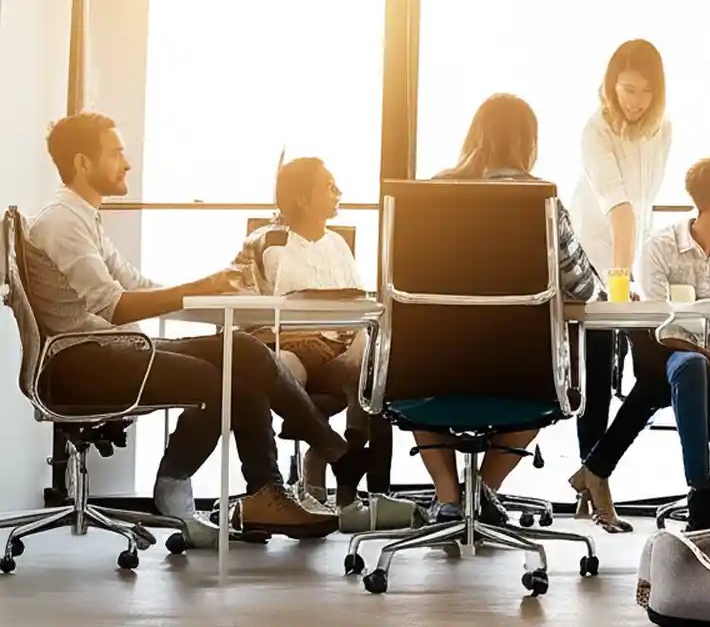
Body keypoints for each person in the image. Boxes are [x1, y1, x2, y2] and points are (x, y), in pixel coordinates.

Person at [25, 112, 353, 542]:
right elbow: (114, 306)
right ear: (84, 163)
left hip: (105, 350)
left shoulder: (83, 216)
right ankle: (200, 487)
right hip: (78, 362)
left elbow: (135, 284)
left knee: (241, 349)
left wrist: (211, 289)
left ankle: (277, 483)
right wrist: (198, 288)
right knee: (221, 379)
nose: (127, 163)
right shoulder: (64, 222)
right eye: (117, 153)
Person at [572, 155, 710, 531]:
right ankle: (699, 488)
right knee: (692, 365)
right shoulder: (660, 248)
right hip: (678, 357)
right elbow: (661, 329)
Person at [419, 93, 602, 524]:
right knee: (550, 382)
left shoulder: (425, 199)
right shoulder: (542, 202)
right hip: (521, 373)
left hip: (429, 369)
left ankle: (448, 496)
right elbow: (583, 288)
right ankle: (484, 489)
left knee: (415, 371)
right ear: (530, 144)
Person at [234, 157, 411, 532]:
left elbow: (356, 304)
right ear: (301, 198)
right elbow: (265, 302)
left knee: (370, 369)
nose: (338, 193)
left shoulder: (336, 245)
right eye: (329, 186)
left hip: (336, 347)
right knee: (277, 370)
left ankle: (349, 495)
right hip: (287, 344)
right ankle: (272, 491)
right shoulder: (269, 241)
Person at [568, 39, 673, 473]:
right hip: (593, 262)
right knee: (595, 373)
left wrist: (636, 275)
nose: (636, 102)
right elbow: (621, 210)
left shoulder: (662, 129)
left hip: (631, 262)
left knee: (655, 371)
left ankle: (593, 473)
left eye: (646, 92)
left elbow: (645, 205)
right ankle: (590, 480)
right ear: (611, 86)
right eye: (628, 90)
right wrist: (619, 281)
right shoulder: (596, 130)